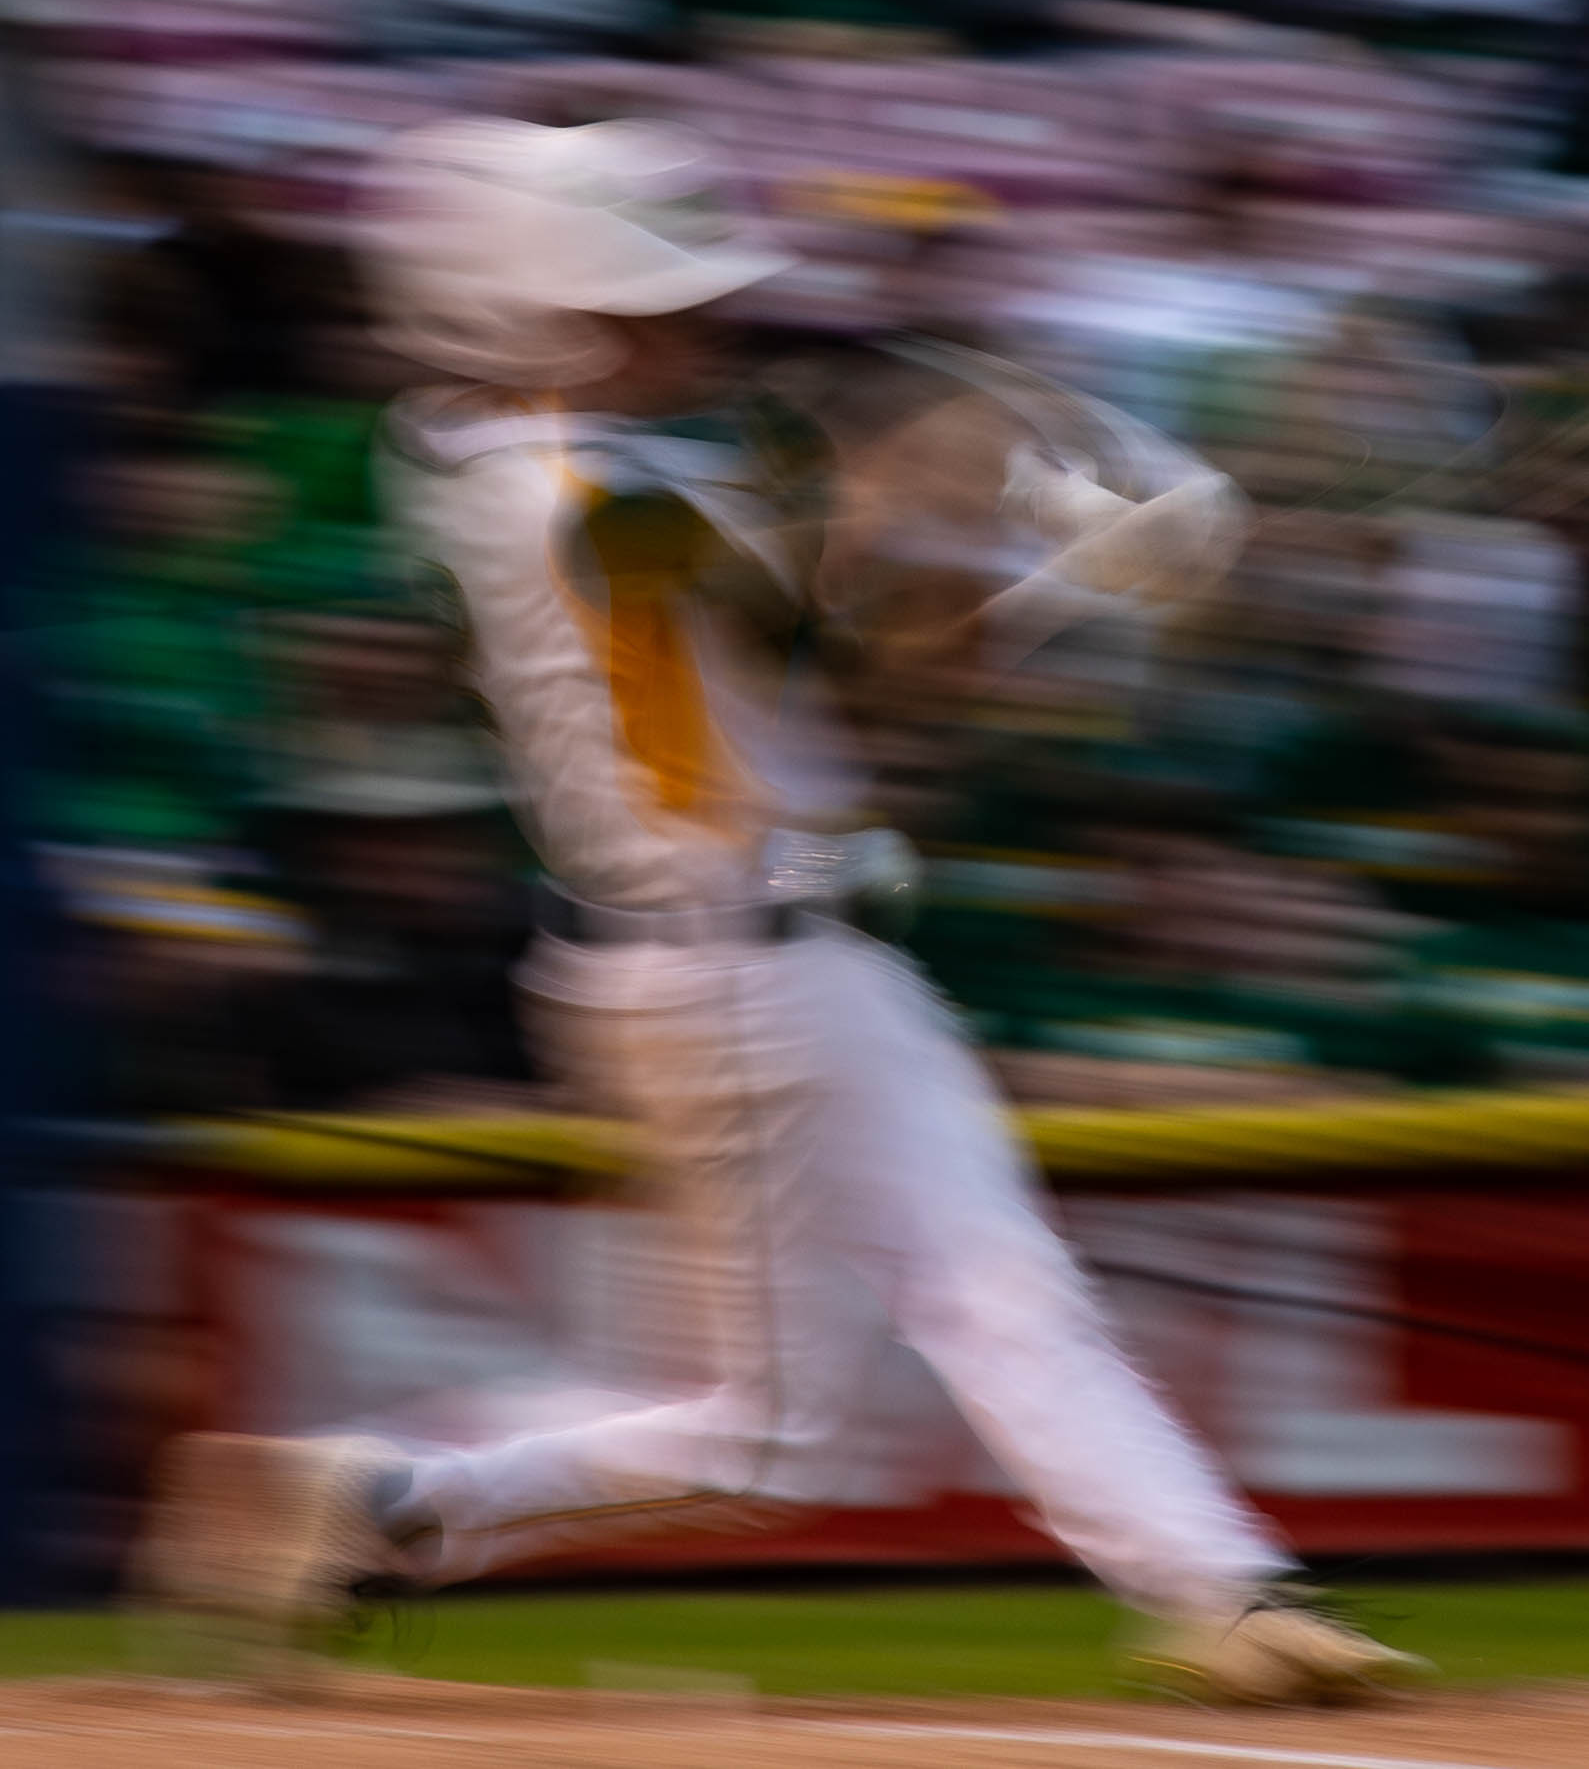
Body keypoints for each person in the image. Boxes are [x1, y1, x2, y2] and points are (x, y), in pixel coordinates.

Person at [134, 116, 1425, 1705]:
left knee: (964, 1307)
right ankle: (390, 1499)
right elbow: (889, 645)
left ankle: (1220, 1591)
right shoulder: (577, 499)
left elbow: (848, 573)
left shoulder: (563, 455)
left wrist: (1040, 539)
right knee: (794, 1421)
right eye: (639, 306)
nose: (694, 326)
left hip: (771, 965)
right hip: (728, 978)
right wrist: (1082, 577)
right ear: (532, 318)